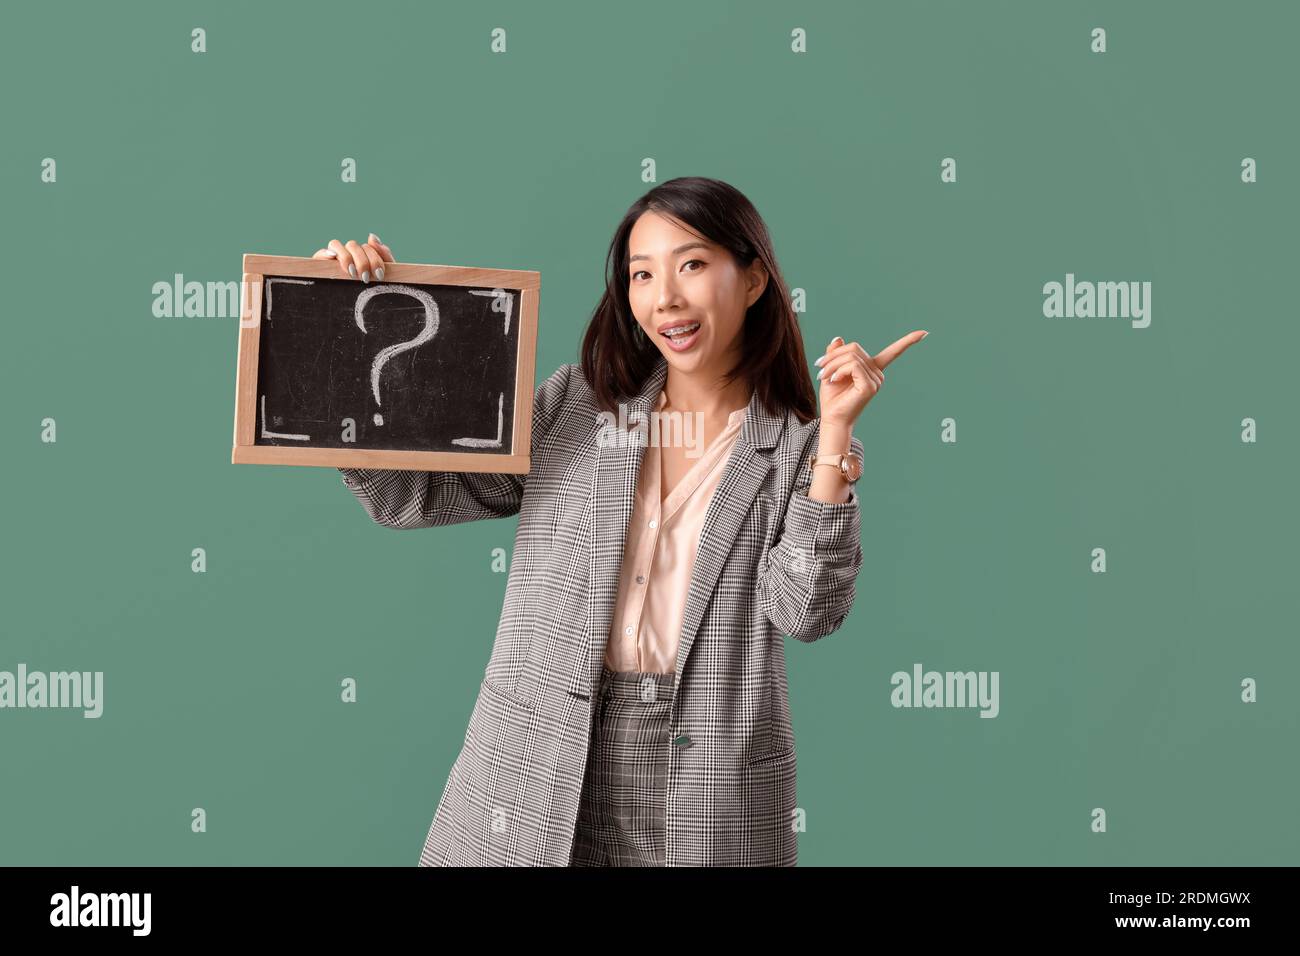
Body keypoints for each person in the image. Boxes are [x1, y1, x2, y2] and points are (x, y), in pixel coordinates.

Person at [323, 176, 927, 865]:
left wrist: (834, 441)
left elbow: (806, 612)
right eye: (642, 274)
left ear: (754, 279)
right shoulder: (578, 404)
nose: (665, 297)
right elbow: (410, 497)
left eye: (692, 265)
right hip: (537, 753)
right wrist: (346, 327)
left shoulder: (798, 448)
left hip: (705, 778)